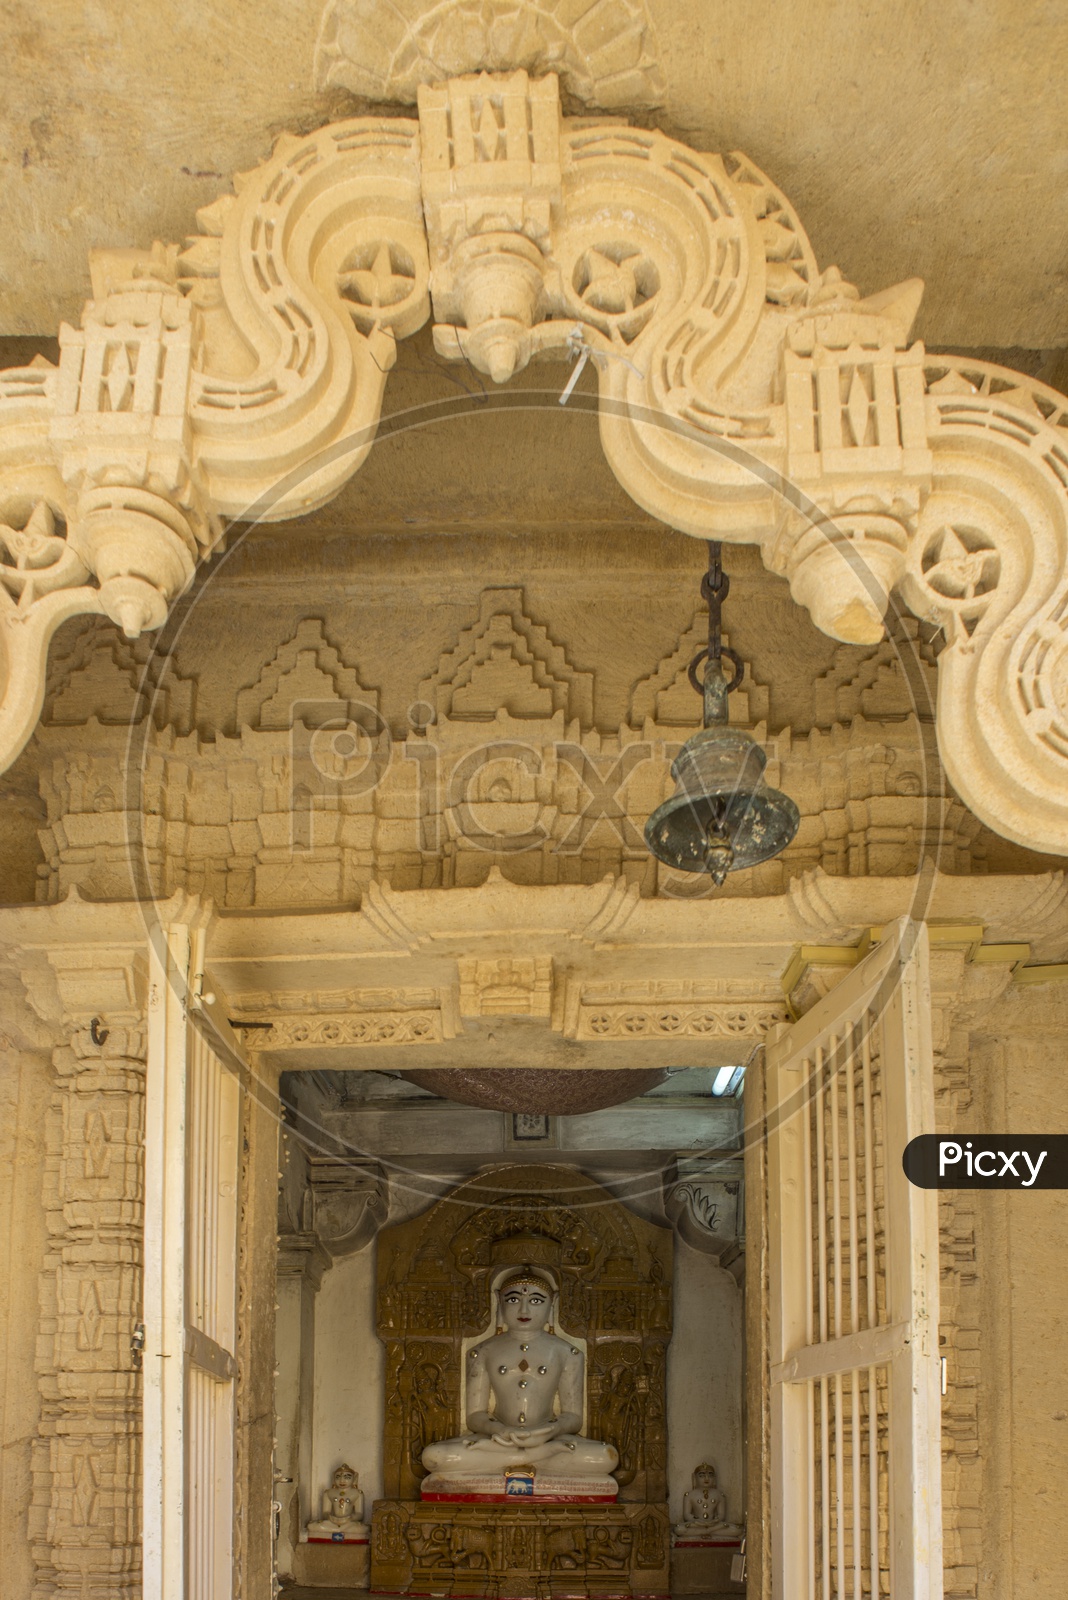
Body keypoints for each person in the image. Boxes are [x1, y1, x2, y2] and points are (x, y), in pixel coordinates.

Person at [421, 1268, 618, 1480]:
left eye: (536, 1301)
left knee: (606, 1457)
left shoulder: (567, 1353)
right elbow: (475, 1417)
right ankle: (539, 1458)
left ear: (552, 1304)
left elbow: (573, 1418)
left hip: (547, 1439)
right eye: (513, 1300)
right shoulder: (482, 1351)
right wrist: (500, 1431)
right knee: (434, 1456)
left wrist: (547, 1432)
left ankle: (521, 1458)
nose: (524, 1309)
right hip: (499, 1440)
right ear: (499, 1302)